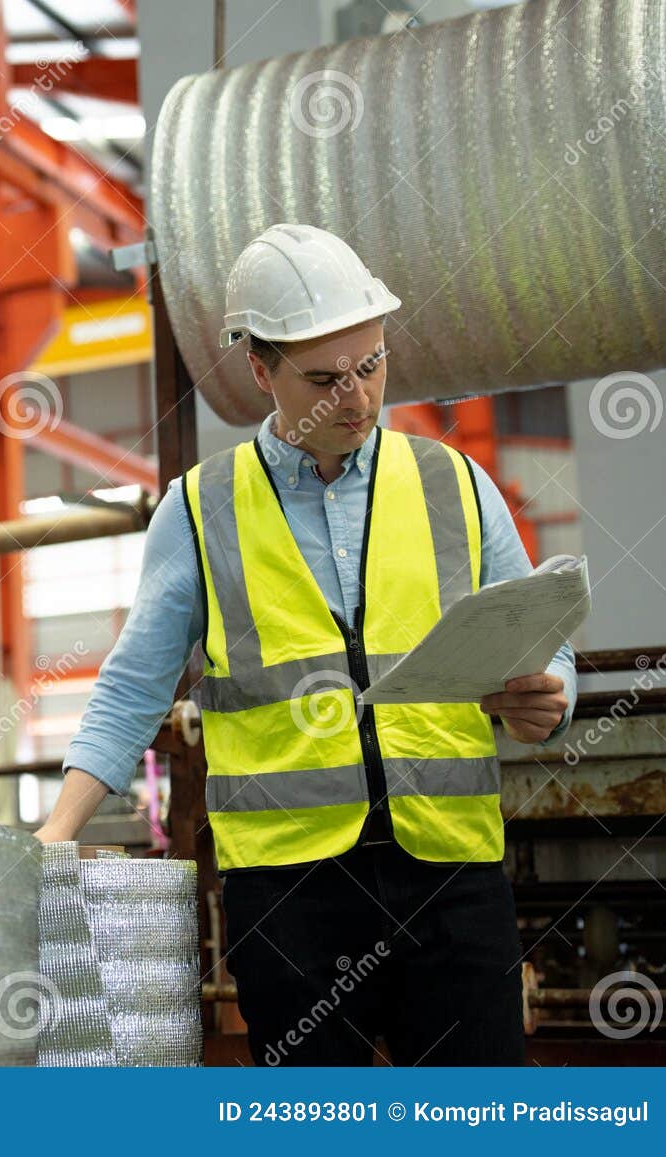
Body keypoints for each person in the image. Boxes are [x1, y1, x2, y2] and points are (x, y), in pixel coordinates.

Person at [37, 223, 576, 1065]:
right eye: (324, 379)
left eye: (372, 365)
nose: (357, 398)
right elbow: (131, 688)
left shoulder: (456, 484)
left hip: (451, 875)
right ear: (260, 369)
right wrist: (54, 836)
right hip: (288, 897)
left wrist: (554, 694)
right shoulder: (199, 509)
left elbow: (544, 642)